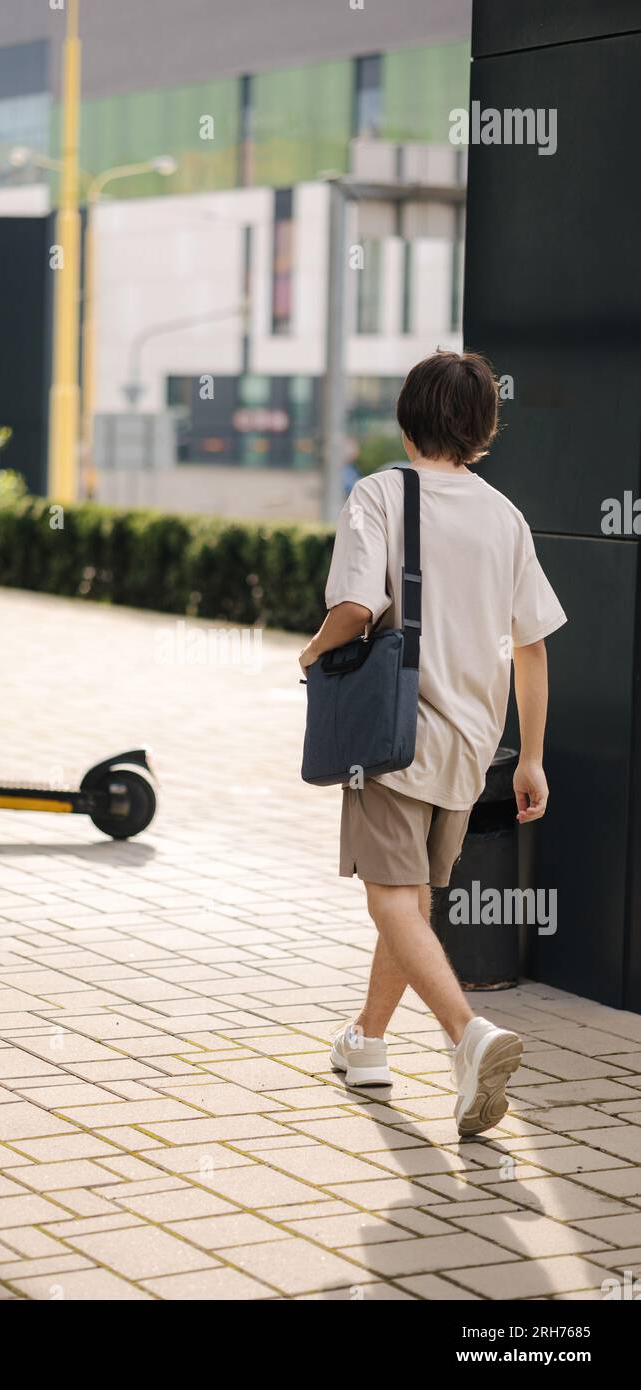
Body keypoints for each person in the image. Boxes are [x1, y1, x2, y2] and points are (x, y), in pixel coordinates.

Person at [298, 351, 566, 1137]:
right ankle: (368, 1044)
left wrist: (311, 654)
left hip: (391, 731)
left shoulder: (380, 494)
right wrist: (535, 756)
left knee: (389, 896)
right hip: (472, 744)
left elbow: (353, 607)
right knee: (413, 899)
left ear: (407, 419)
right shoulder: (505, 515)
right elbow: (533, 646)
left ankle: (467, 1037)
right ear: (484, 431)